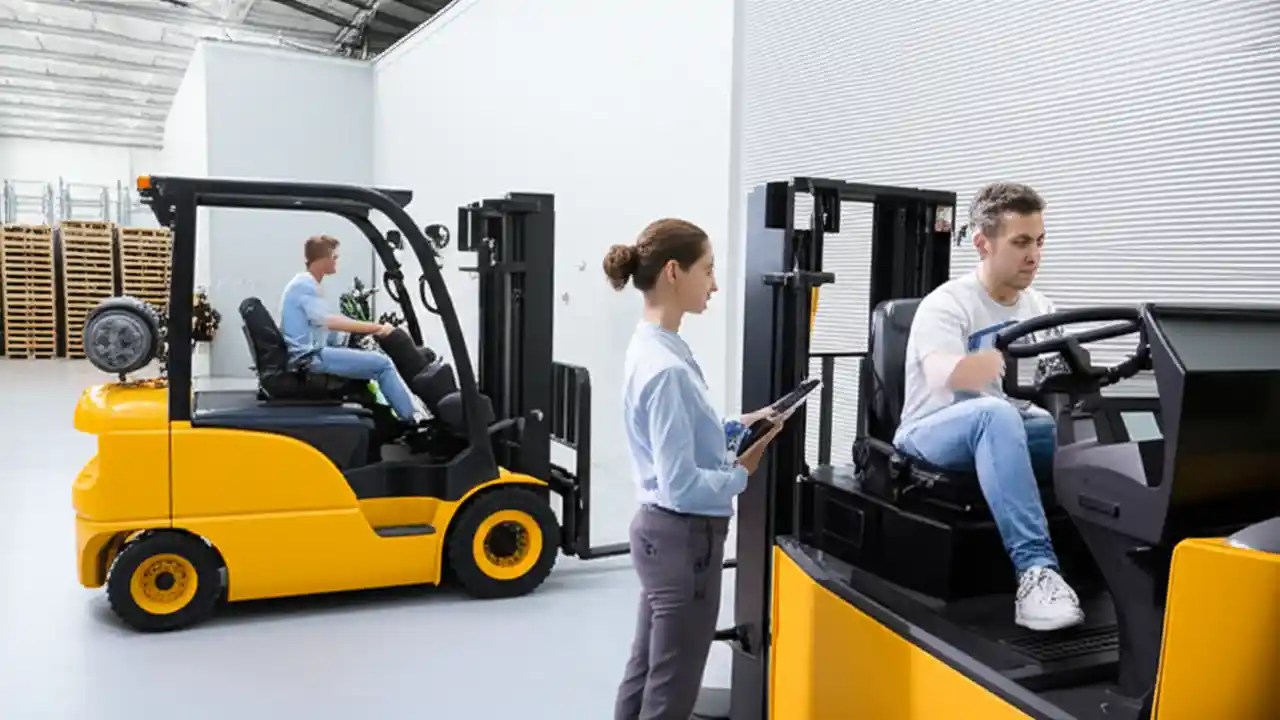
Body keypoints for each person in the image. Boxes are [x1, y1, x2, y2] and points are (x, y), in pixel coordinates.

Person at [605, 218, 787, 720]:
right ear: (672, 272)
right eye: (707, 270)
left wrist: (737, 426)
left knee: (646, 670)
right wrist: (743, 469)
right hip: (686, 540)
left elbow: (680, 434)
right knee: (673, 687)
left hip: (660, 536)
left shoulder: (654, 347)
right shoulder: (666, 371)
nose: (713, 284)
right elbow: (683, 485)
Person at [894, 181, 1084, 632]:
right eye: (1020, 243)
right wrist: (1004, 362)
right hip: (931, 428)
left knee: (1082, 427)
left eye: (1039, 242)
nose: (1033, 256)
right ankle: (1036, 573)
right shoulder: (947, 304)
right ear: (983, 243)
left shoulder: (1041, 307)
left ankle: (1120, 561)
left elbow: (1056, 384)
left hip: (1004, 423)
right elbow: (947, 376)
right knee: (995, 414)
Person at [279, 234, 420, 425]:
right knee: (382, 365)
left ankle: (391, 419)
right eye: (334, 257)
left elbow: (321, 324)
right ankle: (413, 421)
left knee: (372, 361)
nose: (337, 262)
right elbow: (329, 321)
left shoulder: (306, 283)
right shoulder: (305, 285)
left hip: (312, 353)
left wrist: (350, 335)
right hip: (311, 358)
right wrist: (376, 328)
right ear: (323, 259)